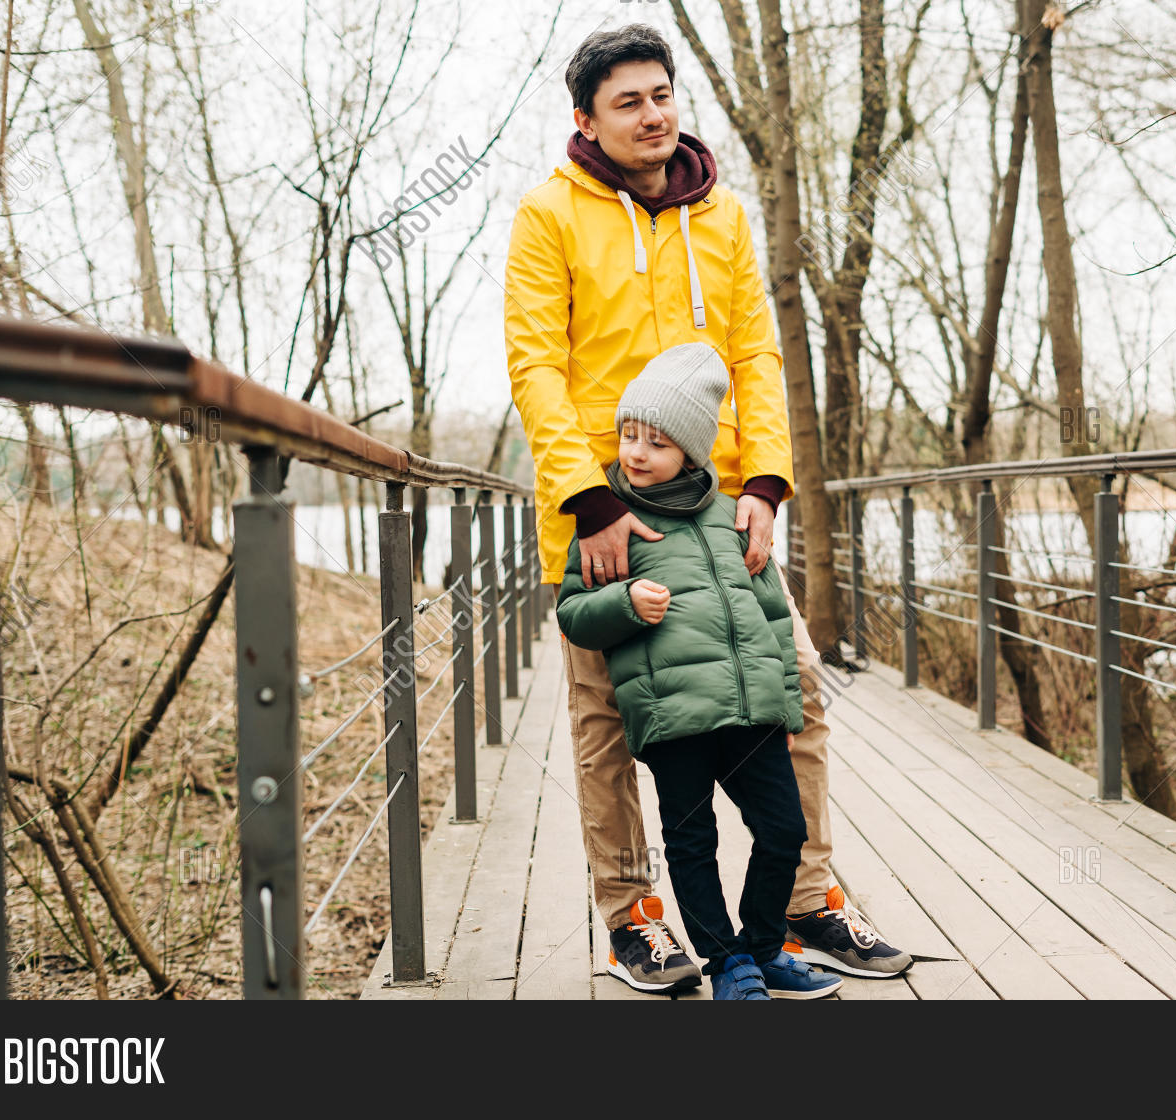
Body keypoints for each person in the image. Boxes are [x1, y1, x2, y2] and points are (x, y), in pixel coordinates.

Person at [504, 22, 910, 995]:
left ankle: (808, 900)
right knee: (609, 727)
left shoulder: (720, 216)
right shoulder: (548, 215)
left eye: (661, 94)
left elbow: (758, 357)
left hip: (724, 518)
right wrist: (590, 499)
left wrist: (767, 483)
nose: (652, 115)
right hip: (601, 522)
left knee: (797, 696)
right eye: (628, 102)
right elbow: (537, 368)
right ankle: (633, 917)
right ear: (587, 121)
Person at [556, 344, 846, 1000]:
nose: (634, 452)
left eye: (655, 441)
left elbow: (772, 619)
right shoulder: (606, 523)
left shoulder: (733, 516)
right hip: (673, 717)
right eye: (629, 434)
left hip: (752, 717)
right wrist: (625, 604)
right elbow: (574, 612)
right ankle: (727, 964)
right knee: (693, 843)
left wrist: (787, 713)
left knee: (785, 830)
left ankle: (765, 946)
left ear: (691, 450)